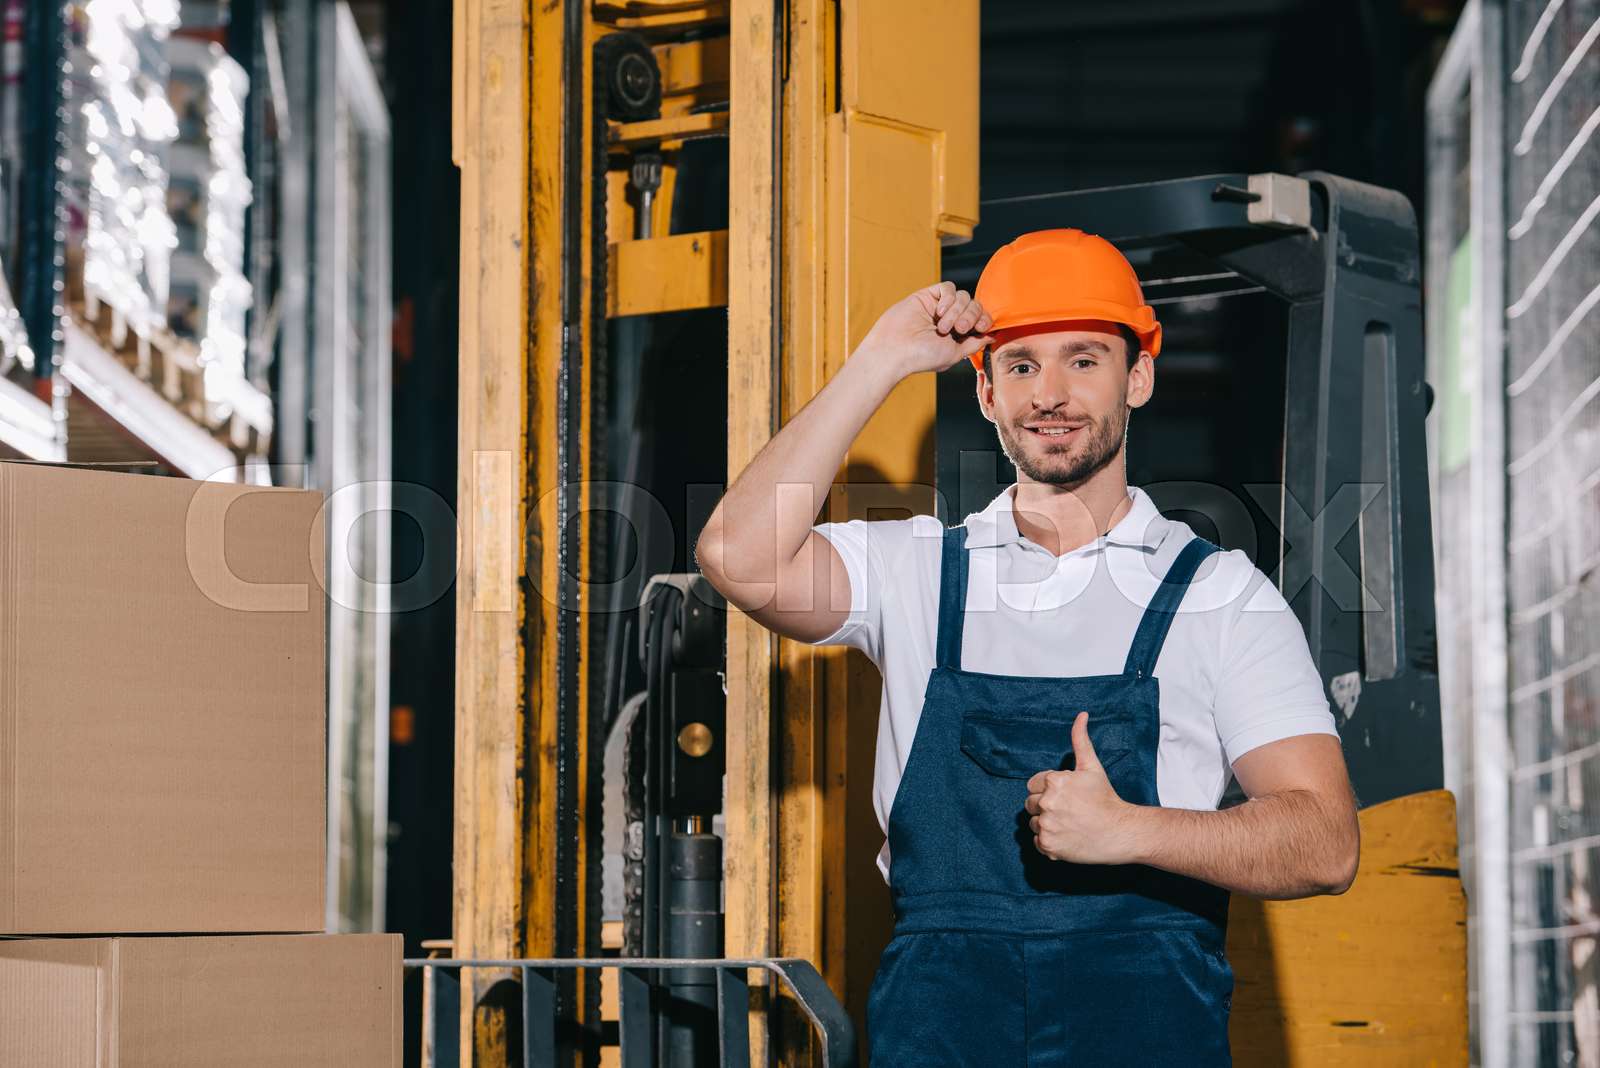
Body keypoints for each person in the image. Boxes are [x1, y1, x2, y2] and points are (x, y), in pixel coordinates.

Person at [695, 228, 1359, 1065]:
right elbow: (736, 555)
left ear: (1139, 376)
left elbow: (1325, 842)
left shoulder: (1220, 597)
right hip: (940, 1022)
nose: (1050, 393)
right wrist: (879, 360)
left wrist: (1133, 832)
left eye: (1084, 359)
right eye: (1019, 365)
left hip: (1146, 1023)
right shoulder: (917, 572)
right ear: (985, 394)